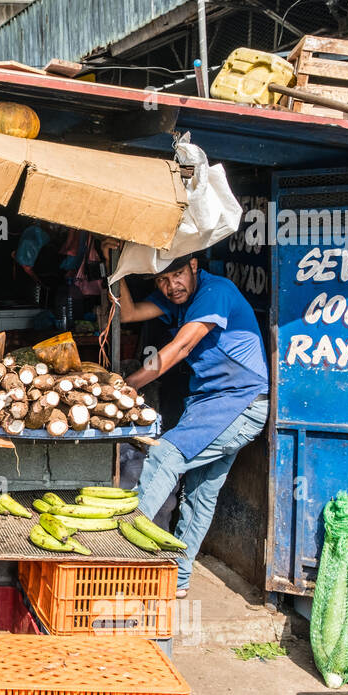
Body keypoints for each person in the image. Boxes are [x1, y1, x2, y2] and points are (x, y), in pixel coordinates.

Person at [113, 253, 269, 599]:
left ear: (194, 266)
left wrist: (132, 383)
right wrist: (118, 269)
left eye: (178, 275)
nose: (172, 287)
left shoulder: (216, 292)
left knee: (165, 456)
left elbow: (181, 347)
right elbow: (129, 313)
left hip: (239, 403)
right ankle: (180, 580)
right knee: (200, 493)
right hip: (212, 404)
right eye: (163, 281)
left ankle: (117, 555)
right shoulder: (176, 298)